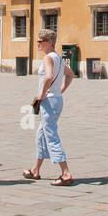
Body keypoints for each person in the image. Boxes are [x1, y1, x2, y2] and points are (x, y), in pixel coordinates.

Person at [23, 29, 72, 186]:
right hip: (56, 99)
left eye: (41, 41)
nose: (38, 43)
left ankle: (66, 173)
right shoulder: (59, 58)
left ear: (50, 42)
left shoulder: (47, 58)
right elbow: (70, 74)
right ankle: (35, 169)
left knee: (50, 135)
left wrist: (42, 94)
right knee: (41, 135)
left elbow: (49, 77)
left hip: (49, 101)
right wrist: (59, 91)